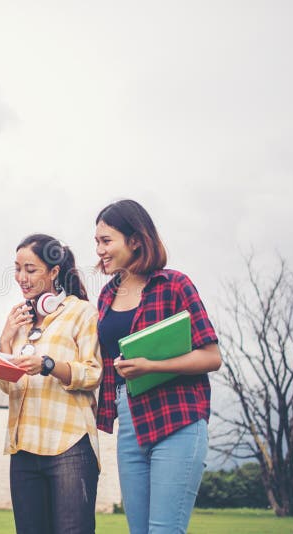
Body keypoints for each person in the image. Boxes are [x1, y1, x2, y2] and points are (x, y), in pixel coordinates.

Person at [94, 199, 222, 534]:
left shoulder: (175, 285)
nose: (100, 250)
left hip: (177, 420)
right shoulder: (106, 296)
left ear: (135, 240)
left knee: (164, 530)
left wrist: (152, 365)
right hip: (131, 423)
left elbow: (211, 356)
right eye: (97, 242)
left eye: (107, 241)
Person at [0, 234, 103, 534]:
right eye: (17, 269)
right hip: (24, 450)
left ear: (54, 272)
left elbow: (94, 372)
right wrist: (5, 339)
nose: (22, 278)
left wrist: (48, 365)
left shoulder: (82, 312)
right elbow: (8, 386)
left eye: (30, 269)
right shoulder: (19, 319)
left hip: (69, 446)